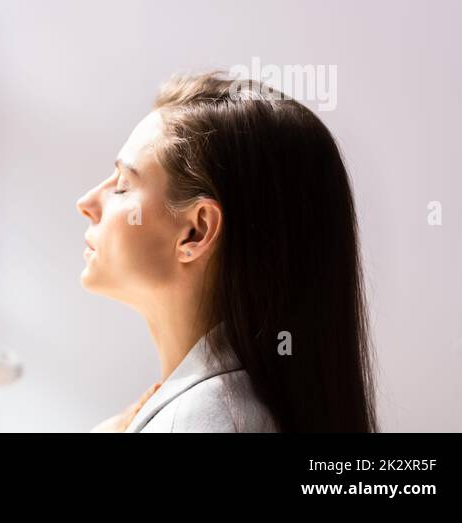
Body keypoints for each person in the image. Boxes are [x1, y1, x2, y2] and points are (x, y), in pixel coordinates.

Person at [78, 72, 376, 432]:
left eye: (123, 186)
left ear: (196, 231)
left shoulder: (202, 420)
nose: (87, 202)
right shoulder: (228, 407)